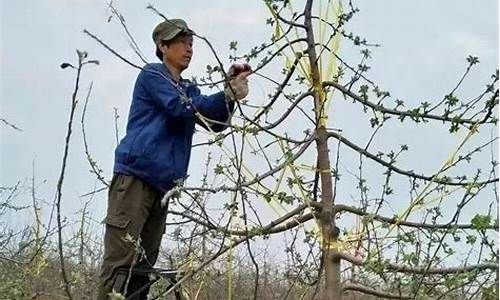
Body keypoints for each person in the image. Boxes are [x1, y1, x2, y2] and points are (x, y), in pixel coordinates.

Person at [97, 18, 250, 300]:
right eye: (181, 43)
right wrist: (224, 93)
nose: (188, 48)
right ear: (162, 46)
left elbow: (213, 121)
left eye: (191, 43)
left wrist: (230, 95)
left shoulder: (189, 90)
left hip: (163, 187)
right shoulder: (153, 75)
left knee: (143, 267)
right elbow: (178, 108)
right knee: (121, 263)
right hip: (135, 179)